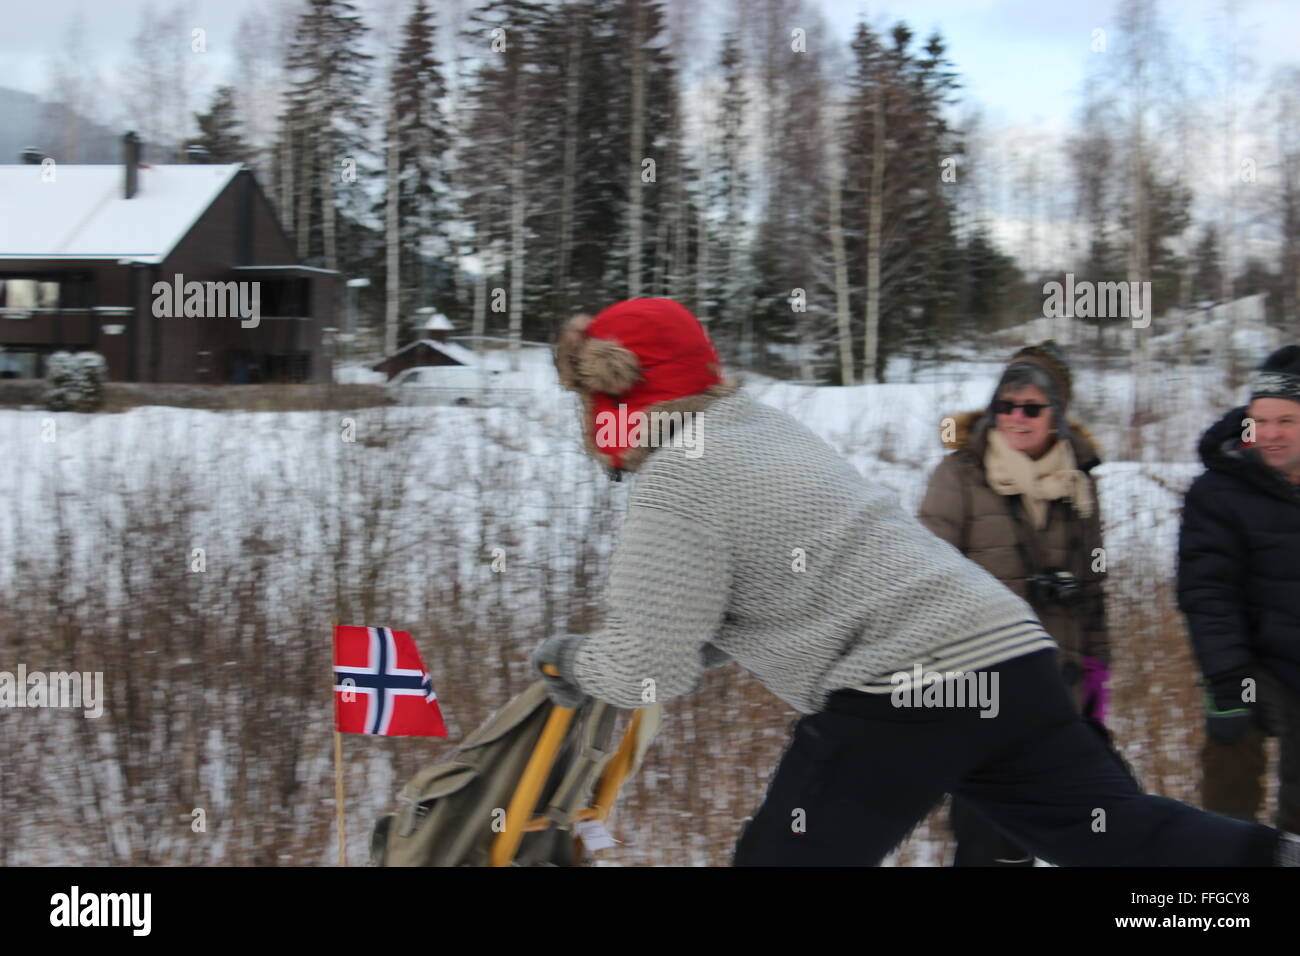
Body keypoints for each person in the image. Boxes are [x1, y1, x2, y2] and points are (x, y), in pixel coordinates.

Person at [532, 297, 1299, 866]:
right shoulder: (764, 431)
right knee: (1118, 834)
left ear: (611, 398)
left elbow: (645, 668)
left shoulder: (676, 478)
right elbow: (735, 612)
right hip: (1009, 655)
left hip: (906, 686)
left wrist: (571, 661)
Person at [918, 342, 1109, 866]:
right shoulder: (959, 475)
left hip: (1057, 693)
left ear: (1058, 415)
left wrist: (1096, 675)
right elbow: (924, 583)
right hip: (983, 694)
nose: (1016, 417)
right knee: (983, 841)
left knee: (1027, 844)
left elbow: (1094, 590)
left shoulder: (1079, 484)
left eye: (1032, 407)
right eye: (1006, 405)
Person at [1178, 345, 1300, 835]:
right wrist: (1227, 675)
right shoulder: (1219, 490)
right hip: (1254, 662)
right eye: (1259, 419)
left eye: (1286, 421)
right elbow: (1207, 590)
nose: (1268, 433)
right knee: (1231, 778)